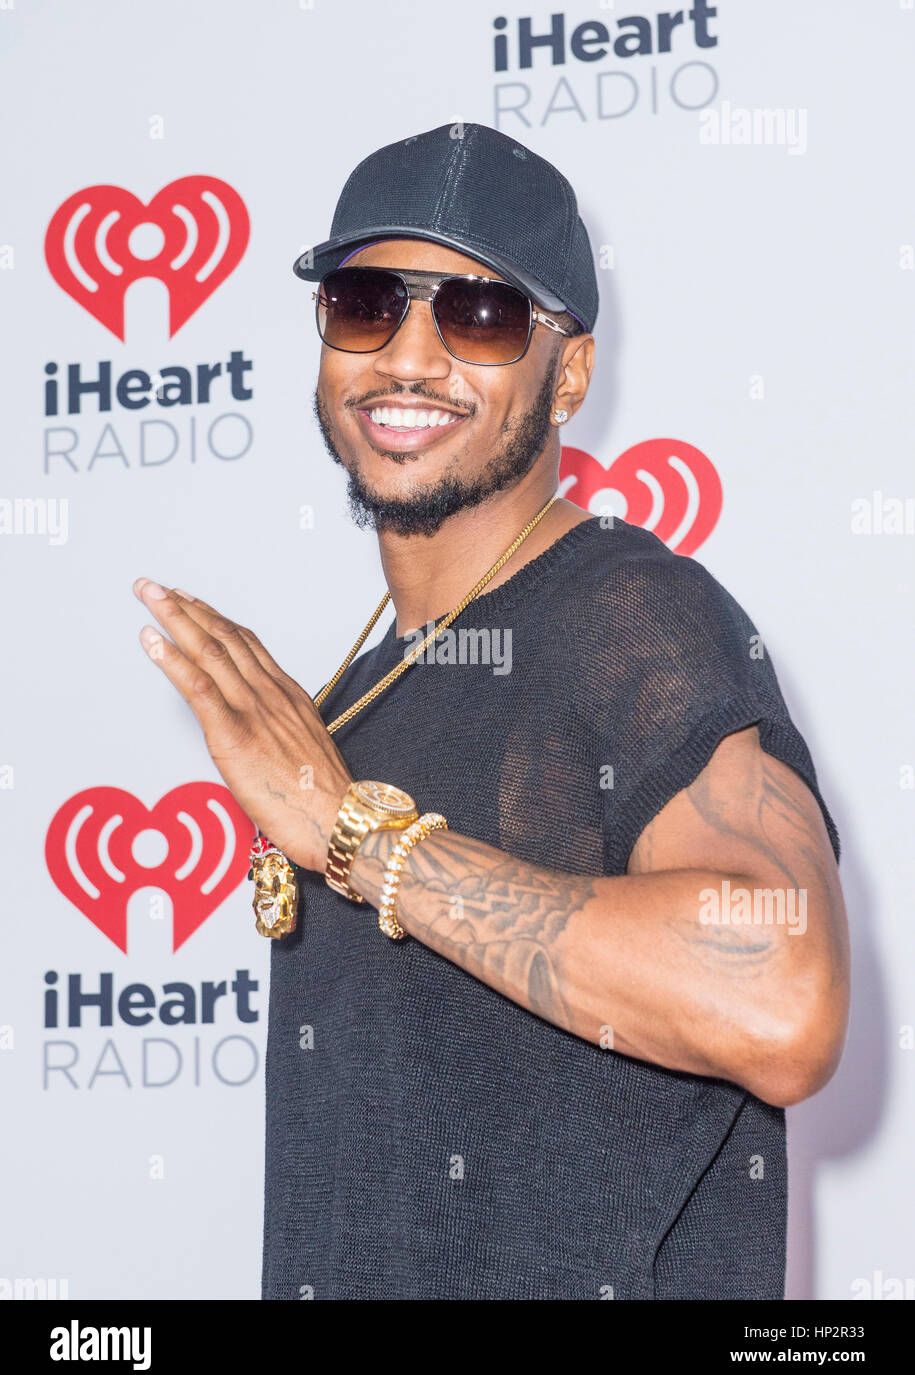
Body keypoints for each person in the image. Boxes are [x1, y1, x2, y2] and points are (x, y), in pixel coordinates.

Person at [133, 122, 849, 1300]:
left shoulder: (630, 613)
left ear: (568, 373)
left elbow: (784, 998)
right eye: (368, 303)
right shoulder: (358, 693)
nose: (407, 357)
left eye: (478, 314)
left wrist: (359, 836)